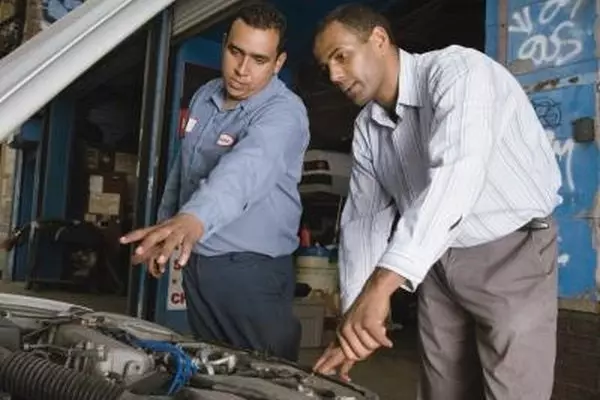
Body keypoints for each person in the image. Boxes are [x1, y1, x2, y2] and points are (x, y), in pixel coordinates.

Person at [311, 4, 562, 399]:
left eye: (341, 56)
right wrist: (354, 324)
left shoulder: (459, 72)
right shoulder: (367, 130)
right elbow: (364, 221)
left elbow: (457, 175)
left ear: (379, 39)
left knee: (514, 390)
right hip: (437, 261)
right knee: (442, 389)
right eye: (327, 66)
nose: (335, 75)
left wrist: (381, 288)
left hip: (512, 252)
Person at [120, 2, 309, 362]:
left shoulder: (284, 113)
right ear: (224, 44)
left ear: (279, 63)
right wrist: (168, 227)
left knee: (265, 376)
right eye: (236, 52)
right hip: (200, 262)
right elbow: (183, 166)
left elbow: (244, 170)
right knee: (213, 369)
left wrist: (193, 220)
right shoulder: (204, 96)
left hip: (251, 271)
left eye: (259, 59)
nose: (242, 70)